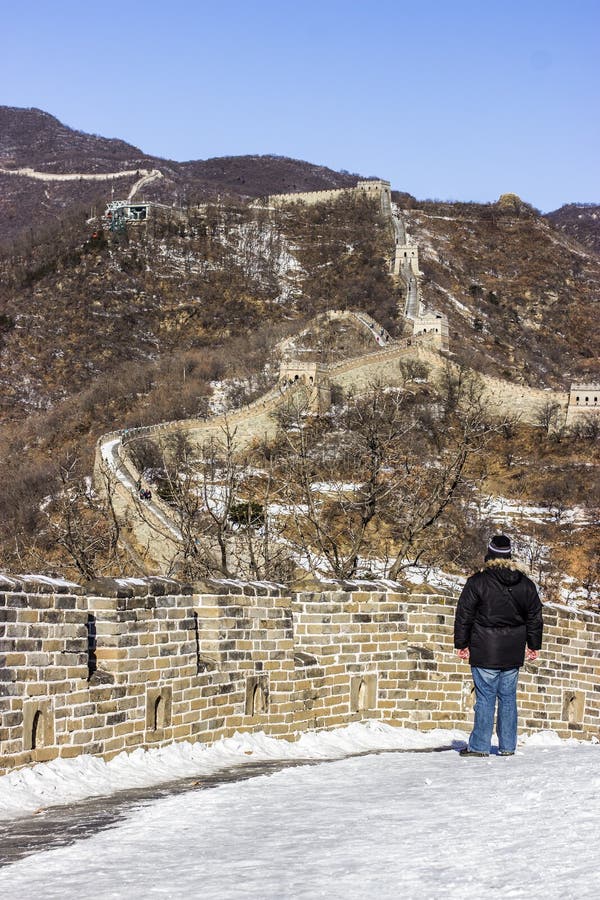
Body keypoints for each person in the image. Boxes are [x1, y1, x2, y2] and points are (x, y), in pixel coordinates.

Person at [454, 534, 543, 757]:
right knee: (508, 698)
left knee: (485, 698)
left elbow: (464, 615)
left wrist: (462, 643)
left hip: (485, 648)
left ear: (490, 554)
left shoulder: (477, 582)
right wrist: (533, 644)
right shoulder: (525, 584)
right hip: (512, 650)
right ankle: (507, 746)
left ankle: (479, 746)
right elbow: (535, 616)